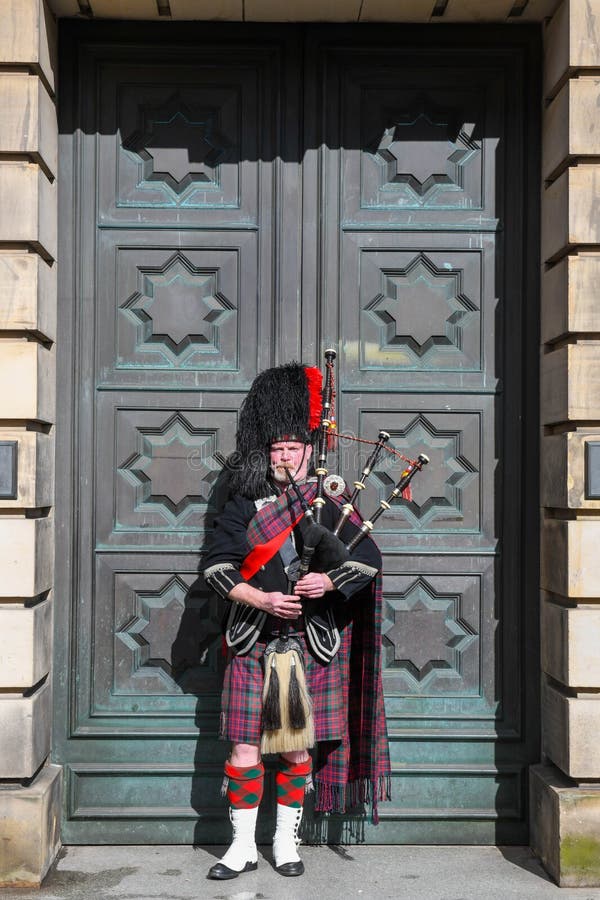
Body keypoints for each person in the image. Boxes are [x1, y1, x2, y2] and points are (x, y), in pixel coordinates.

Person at [203, 362, 390, 880]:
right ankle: (242, 847)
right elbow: (217, 568)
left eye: (293, 447)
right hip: (253, 638)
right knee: (244, 746)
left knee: (295, 747)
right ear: (266, 451)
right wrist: (261, 600)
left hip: (309, 641)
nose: (284, 456)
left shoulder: (331, 503)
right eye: (277, 448)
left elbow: (368, 560)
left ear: (311, 450)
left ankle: (286, 842)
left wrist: (326, 582)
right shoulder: (243, 503)